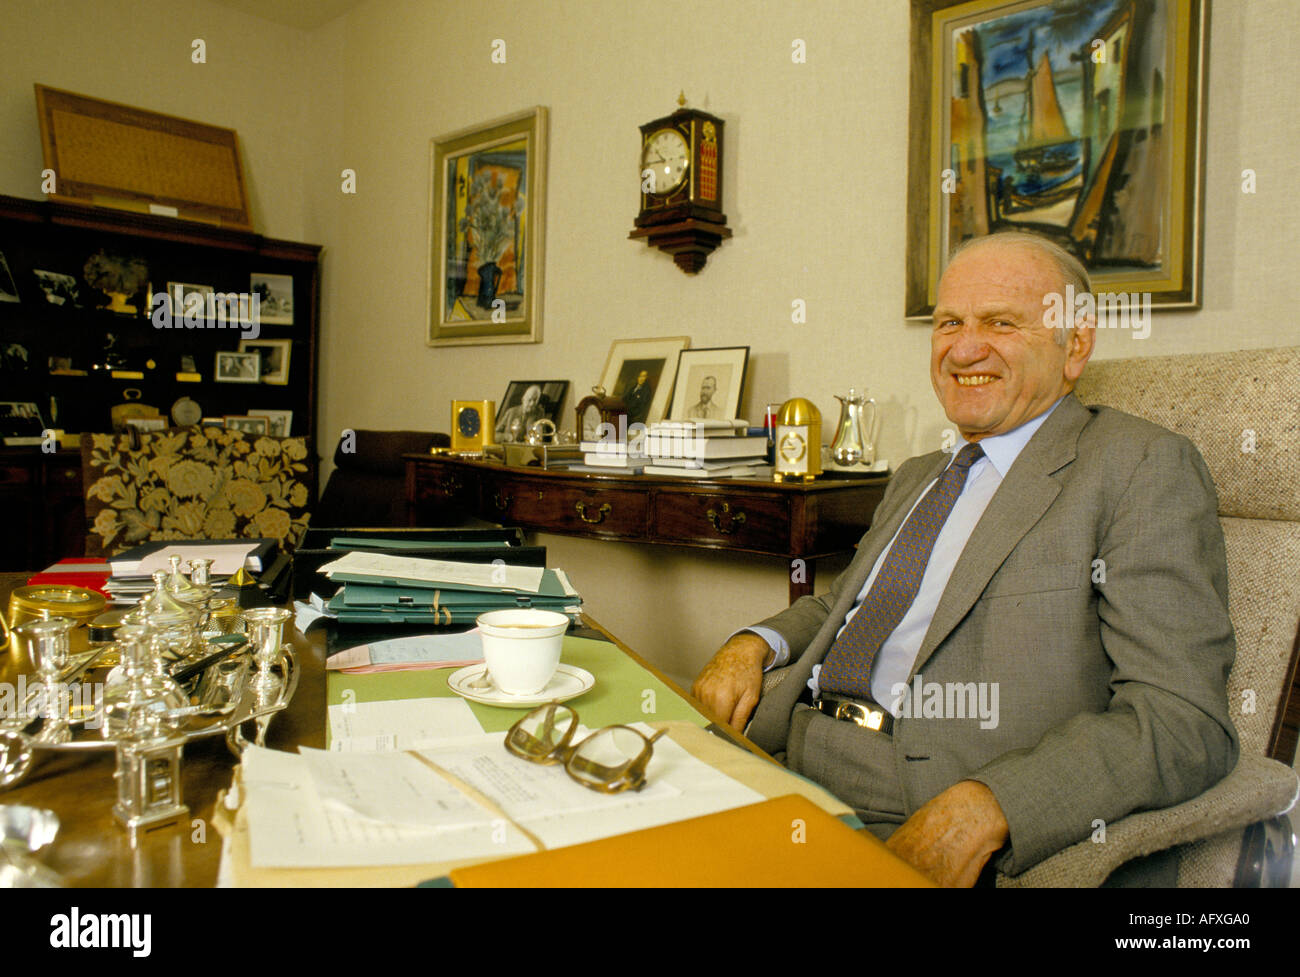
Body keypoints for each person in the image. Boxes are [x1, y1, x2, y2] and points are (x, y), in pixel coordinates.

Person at [692, 231, 1237, 887]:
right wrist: (752, 644)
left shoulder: (1138, 467)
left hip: (914, 787)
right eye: (949, 322)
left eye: (1000, 323)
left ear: (1076, 346)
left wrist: (995, 802)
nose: (964, 347)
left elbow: (1183, 720)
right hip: (783, 744)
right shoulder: (922, 471)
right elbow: (843, 607)